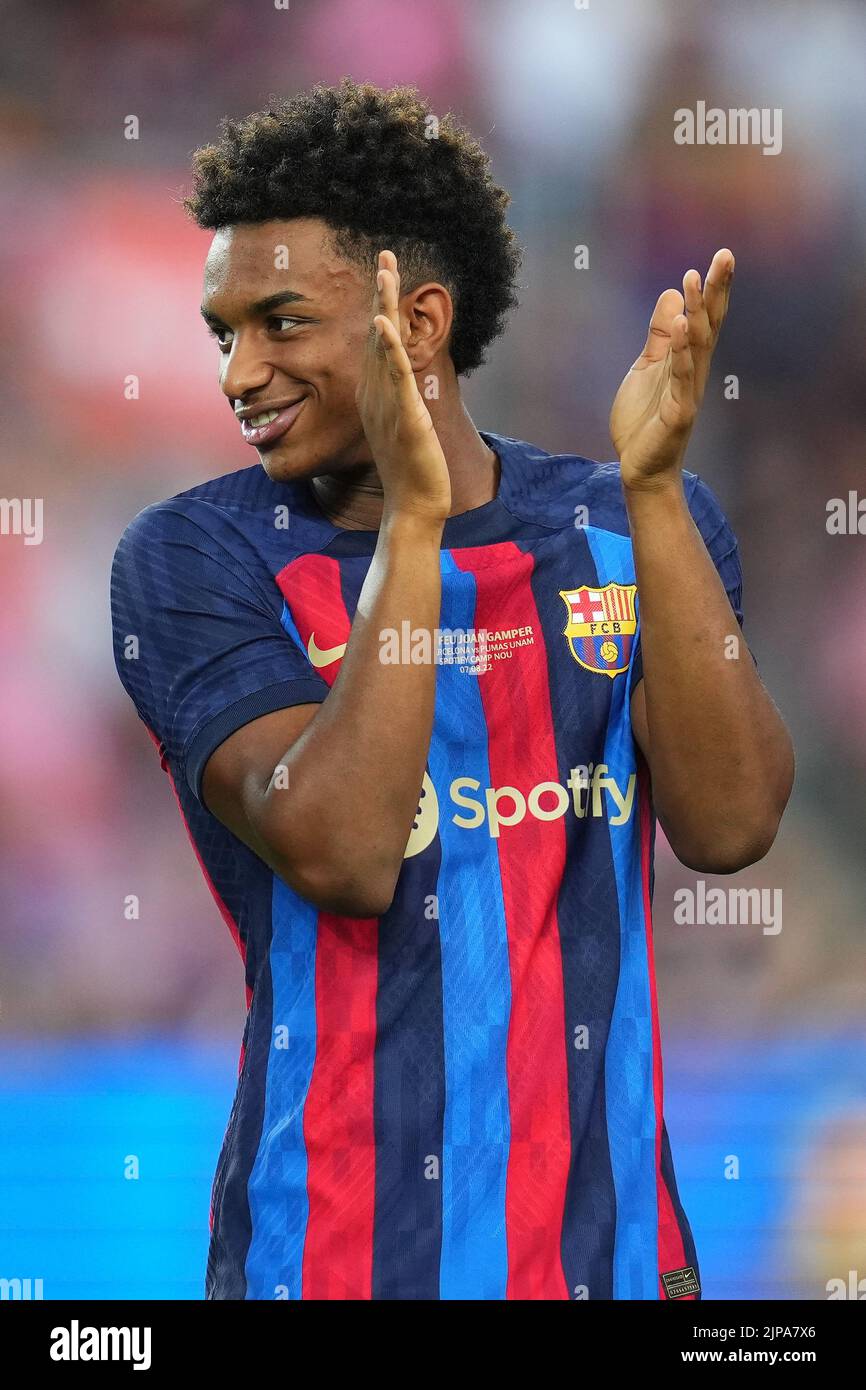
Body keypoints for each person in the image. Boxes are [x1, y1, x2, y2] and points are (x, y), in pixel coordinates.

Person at [110, 79, 794, 1301]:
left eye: (278, 324)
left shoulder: (623, 525)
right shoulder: (194, 558)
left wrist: (650, 494)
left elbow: (732, 823)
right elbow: (343, 853)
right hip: (325, 1259)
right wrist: (414, 525)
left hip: (620, 1263)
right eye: (224, 334)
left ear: (415, 322)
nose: (237, 375)